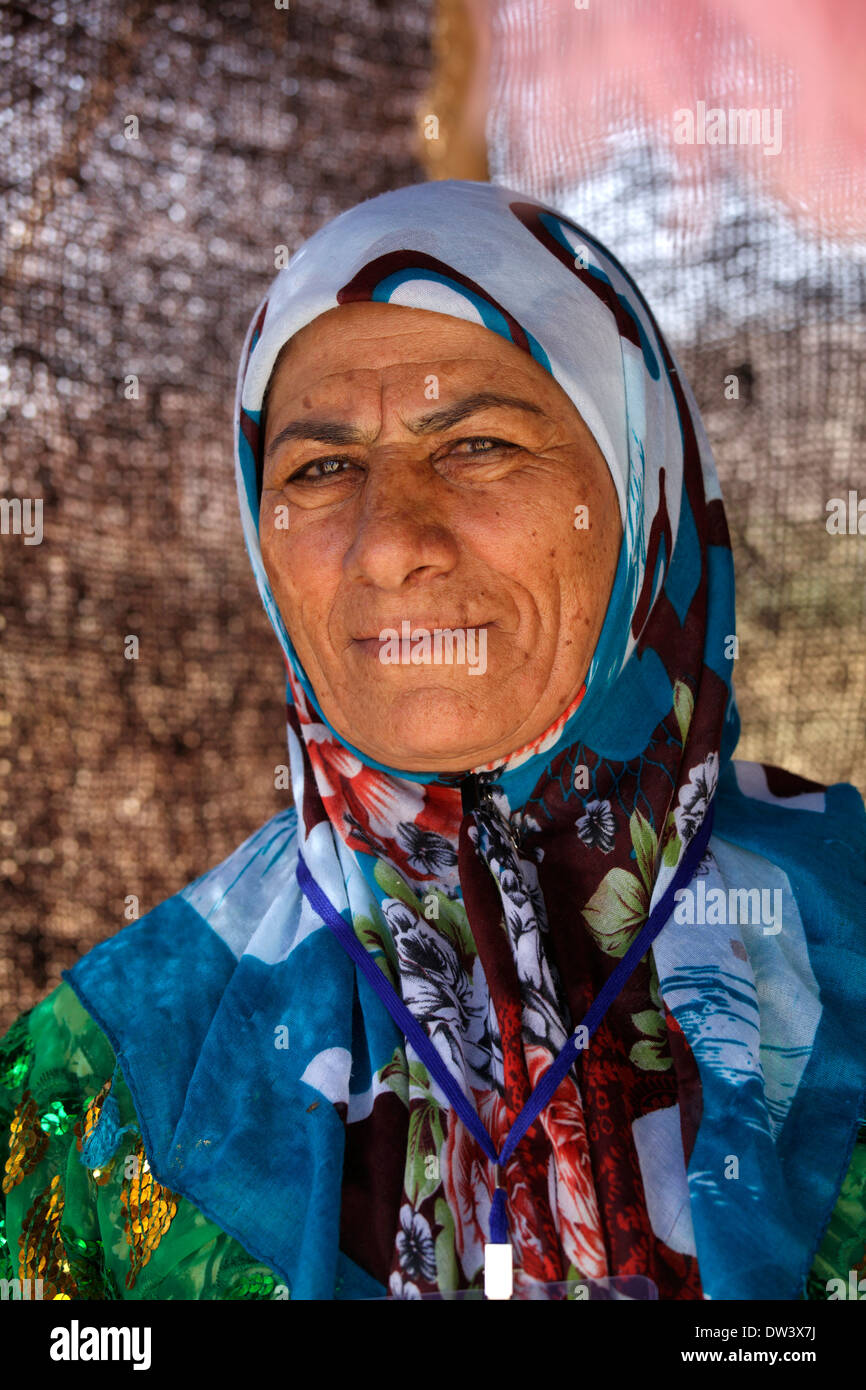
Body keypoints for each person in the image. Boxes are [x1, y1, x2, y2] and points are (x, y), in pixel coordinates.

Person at [1, 180, 864, 1302]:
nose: (389, 544)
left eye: (474, 445)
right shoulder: (117, 1062)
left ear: (640, 486)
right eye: (320, 467)